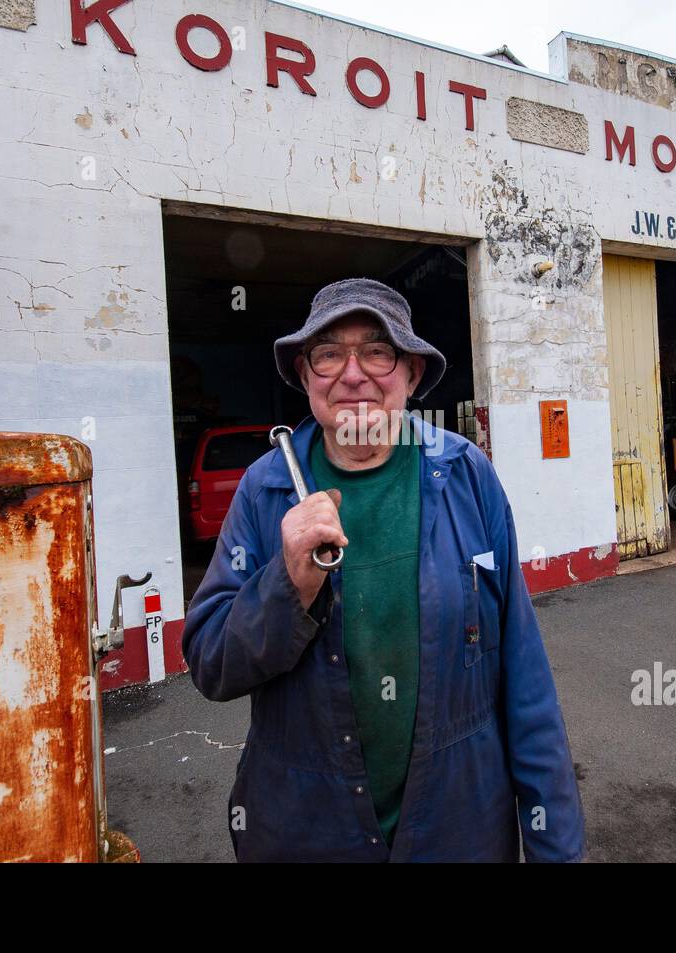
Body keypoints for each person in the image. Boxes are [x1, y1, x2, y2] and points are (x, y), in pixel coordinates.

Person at [181, 277, 585, 862]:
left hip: (459, 830)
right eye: (327, 354)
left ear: (412, 374)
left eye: (377, 350)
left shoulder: (467, 475)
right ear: (304, 376)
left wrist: (557, 849)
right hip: (305, 834)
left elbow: (524, 677)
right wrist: (286, 583)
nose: (352, 373)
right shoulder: (265, 489)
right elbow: (211, 663)